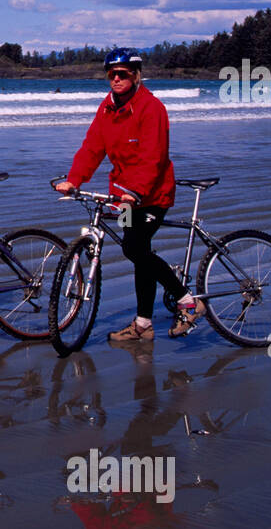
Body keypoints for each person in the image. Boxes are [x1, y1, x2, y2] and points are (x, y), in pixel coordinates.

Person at [53, 48, 197, 342]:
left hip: (153, 195)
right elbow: (92, 148)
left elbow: (153, 156)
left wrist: (135, 192)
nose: (116, 79)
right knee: (139, 252)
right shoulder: (107, 107)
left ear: (136, 75)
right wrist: (73, 180)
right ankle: (143, 324)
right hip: (124, 195)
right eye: (112, 75)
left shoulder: (151, 108)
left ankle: (188, 301)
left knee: (134, 248)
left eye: (123, 74)